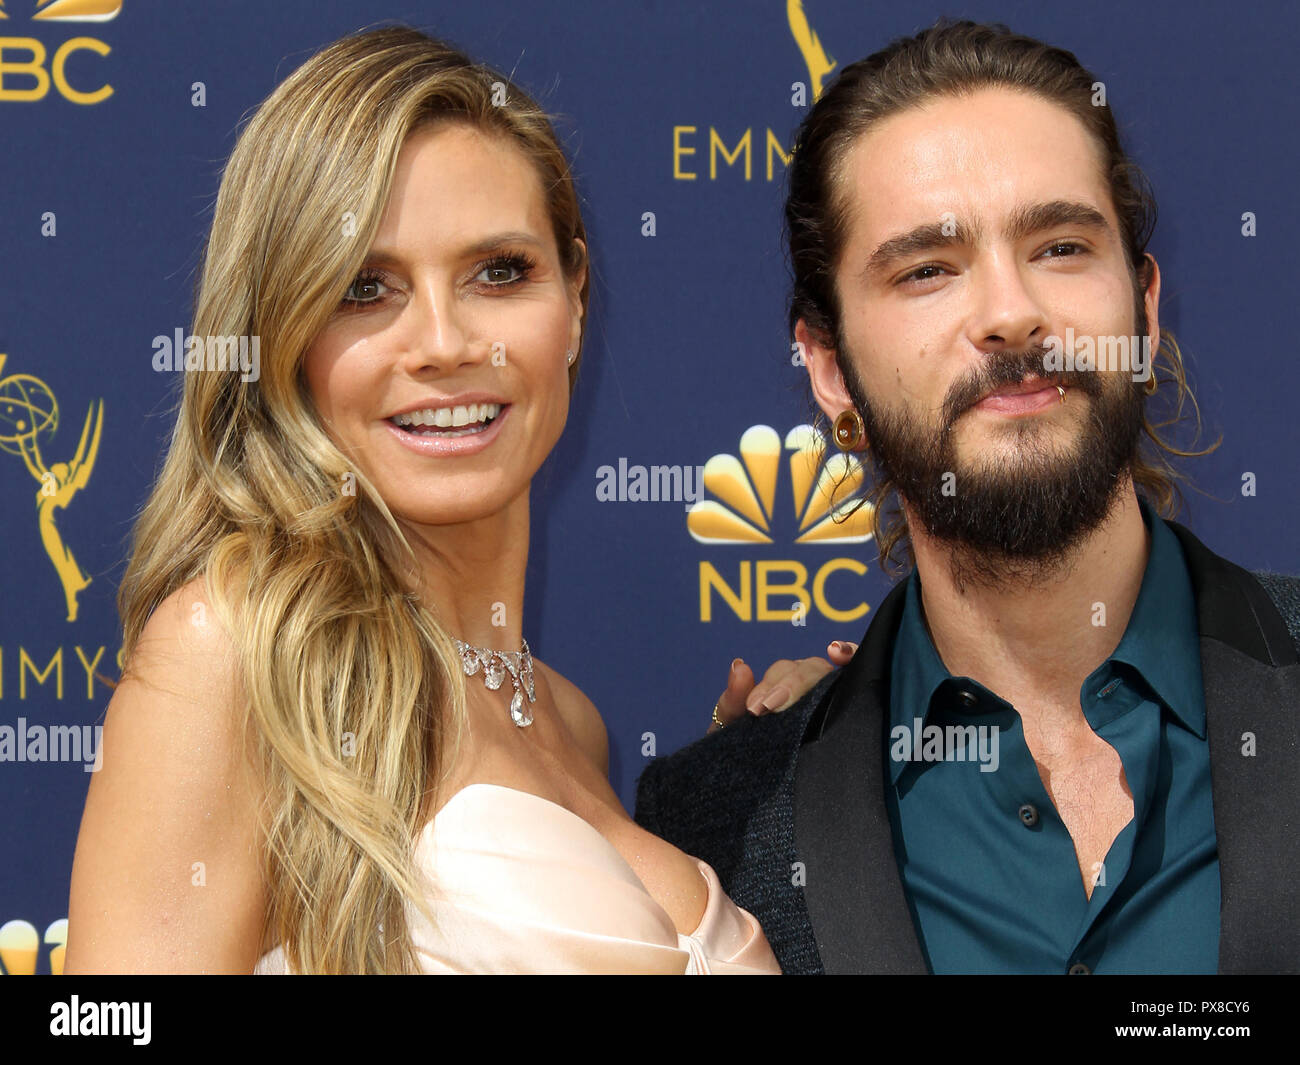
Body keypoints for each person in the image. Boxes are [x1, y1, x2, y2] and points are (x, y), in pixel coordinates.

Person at [62, 26, 826, 975]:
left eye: (499, 273)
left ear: (576, 295)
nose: (443, 341)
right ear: (278, 333)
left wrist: (780, 758)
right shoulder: (241, 654)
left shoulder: (572, 721)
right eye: (363, 288)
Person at [635, 19, 1300, 975]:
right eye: (928, 271)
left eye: (1062, 246)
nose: (1008, 312)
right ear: (829, 367)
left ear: (1144, 313)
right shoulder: (716, 829)